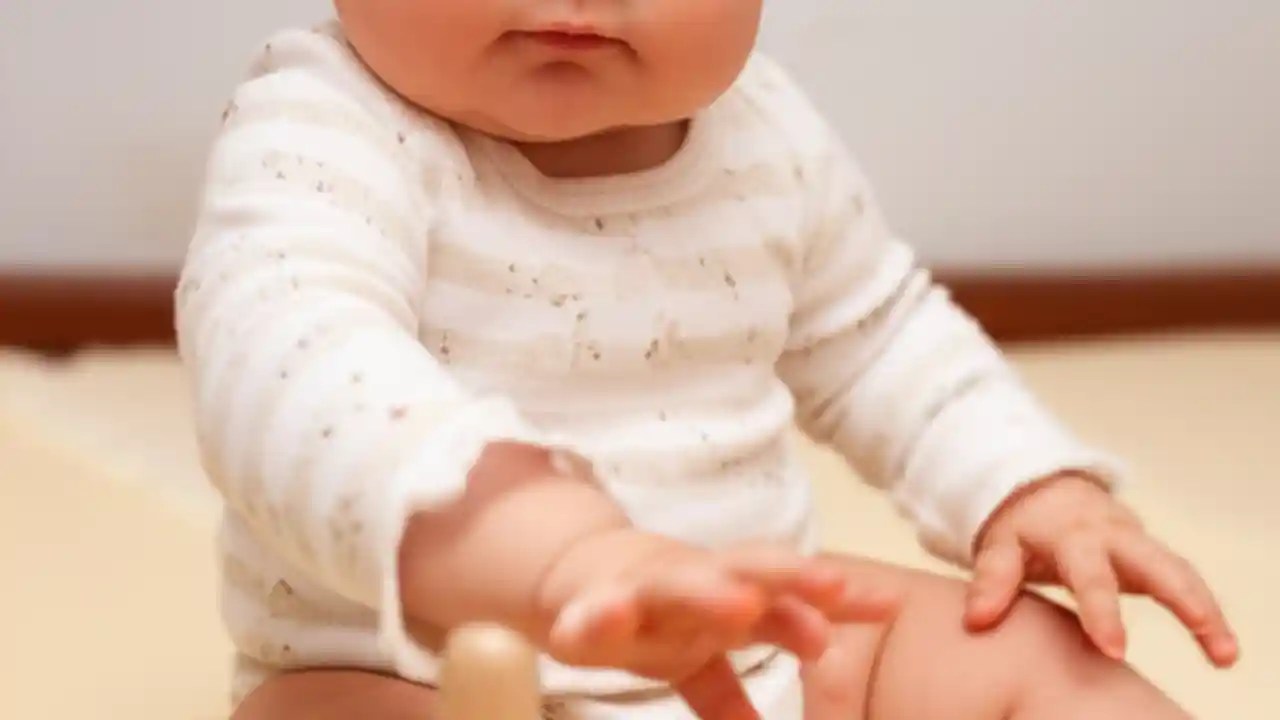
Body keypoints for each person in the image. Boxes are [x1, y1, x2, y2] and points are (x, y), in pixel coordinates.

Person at [177, 2, 1237, 718]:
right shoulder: (324, 128)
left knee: (1024, 653)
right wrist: (560, 561)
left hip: (750, 645)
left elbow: (877, 338)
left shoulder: (761, 129)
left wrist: (1022, 483)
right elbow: (292, 367)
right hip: (422, 666)